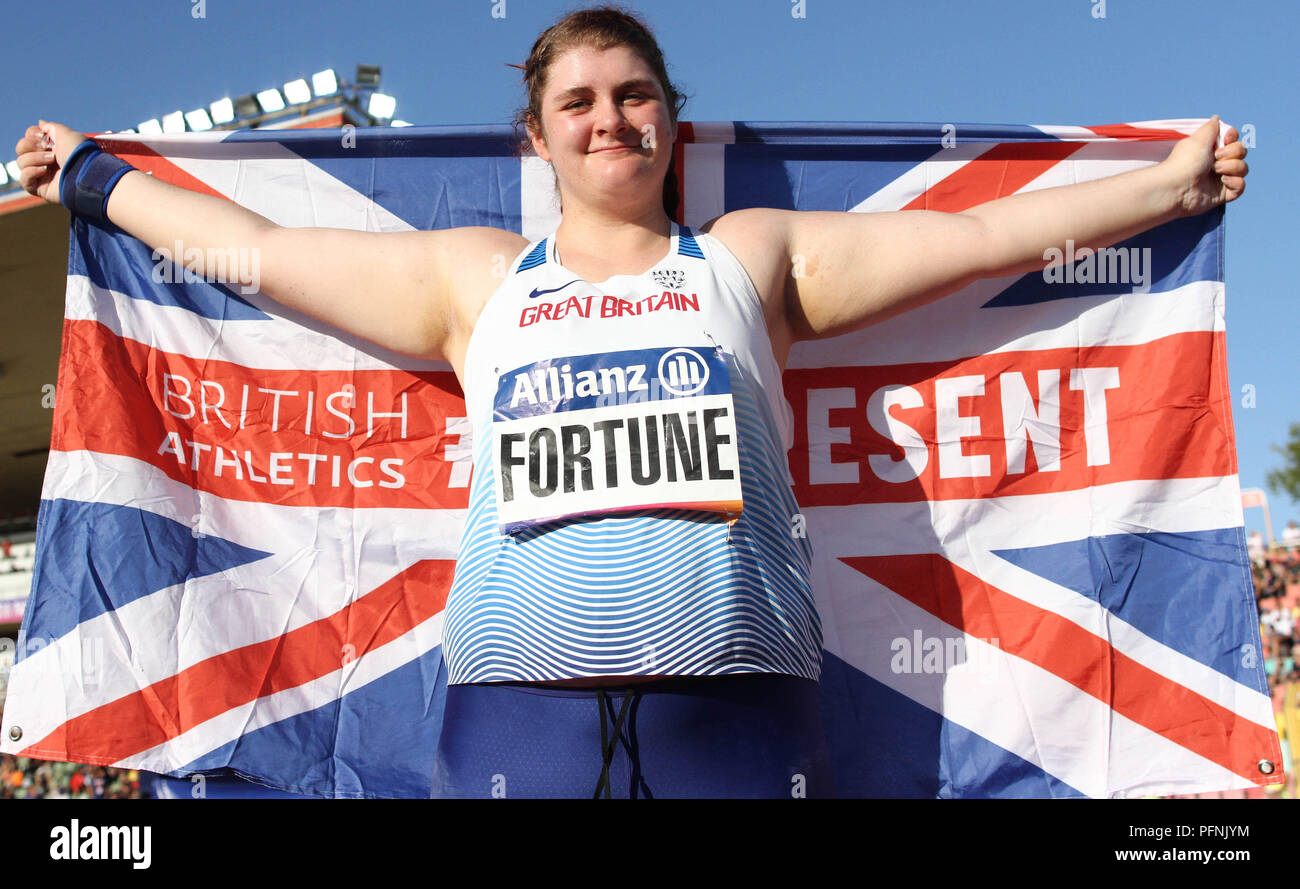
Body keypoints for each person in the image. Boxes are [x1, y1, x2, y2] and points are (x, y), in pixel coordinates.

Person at [14, 6, 1248, 798]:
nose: (612, 117)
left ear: (672, 118)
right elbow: (262, 252)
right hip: (517, 723)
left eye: (635, 93)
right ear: (538, 141)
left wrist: (1167, 188)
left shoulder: (748, 260)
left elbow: (984, 232)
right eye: (580, 102)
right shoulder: (475, 280)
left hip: (744, 715)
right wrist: (95, 177)